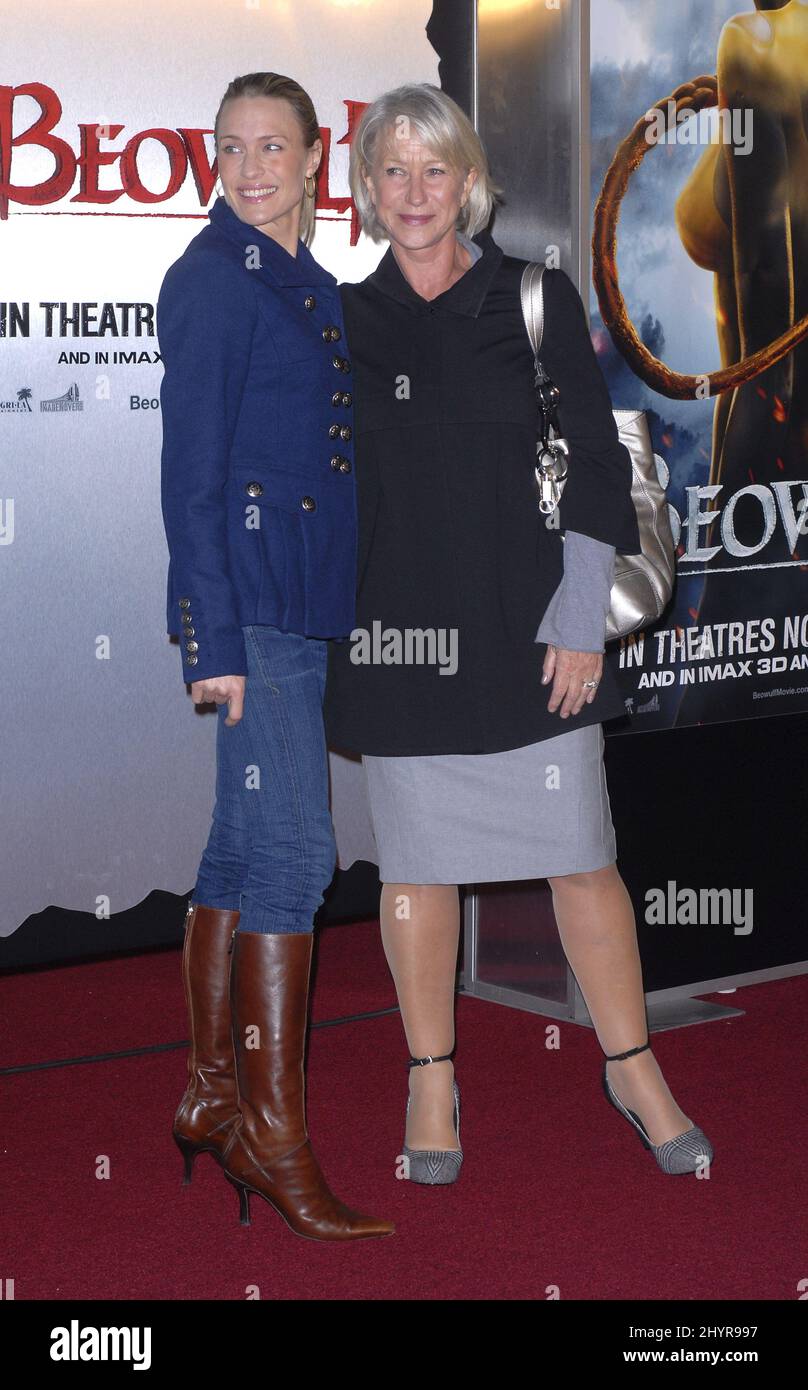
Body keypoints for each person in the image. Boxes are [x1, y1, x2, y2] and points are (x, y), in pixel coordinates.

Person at [324, 83, 714, 1184]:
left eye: (433, 169)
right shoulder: (344, 324)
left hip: (537, 632)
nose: (413, 192)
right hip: (398, 640)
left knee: (583, 861)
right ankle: (431, 1076)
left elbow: (595, 465)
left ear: (467, 183)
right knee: (418, 872)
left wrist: (579, 615)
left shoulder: (534, 299)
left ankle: (631, 1064)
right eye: (390, 171)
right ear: (363, 189)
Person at [158, 71, 394, 1241]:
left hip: (301, 604)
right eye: (231, 147)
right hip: (255, 613)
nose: (251, 168)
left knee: (246, 847)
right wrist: (212, 633)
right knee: (299, 856)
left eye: (273, 147)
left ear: (314, 157)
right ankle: (273, 1135)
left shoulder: (307, 283)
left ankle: (211, 1094)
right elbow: (190, 476)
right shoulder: (211, 279)